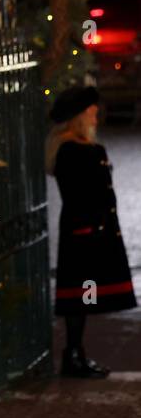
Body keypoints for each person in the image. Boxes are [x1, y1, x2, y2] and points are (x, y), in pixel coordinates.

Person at [46, 84, 136, 377]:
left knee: (84, 297)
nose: (96, 117)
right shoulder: (73, 150)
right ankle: (73, 354)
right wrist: (94, 226)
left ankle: (76, 352)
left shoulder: (85, 148)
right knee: (80, 297)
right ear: (79, 117)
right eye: (91, 112)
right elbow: (81, 193)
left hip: (91, 230)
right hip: (85, 233)